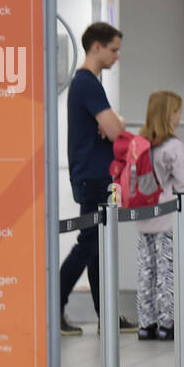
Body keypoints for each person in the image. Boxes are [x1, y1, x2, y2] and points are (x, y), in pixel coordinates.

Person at [58, 22, 138, 336]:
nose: (117, 56)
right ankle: (56, 304)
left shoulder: (88, 83)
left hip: (93, 174)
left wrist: (112, 122)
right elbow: (116, 129)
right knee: (88, 243)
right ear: (97, 47)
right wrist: (115, 121)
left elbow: (111, 126)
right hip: (94, 175)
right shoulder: (87, 83)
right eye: (113, 49)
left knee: (96, 247)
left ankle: (106, 314)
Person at [135, 90, 184, 342]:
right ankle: (166, 324)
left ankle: (145, 324)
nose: (180, 116)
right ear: (170, 114)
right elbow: (183, 184)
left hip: (143, 215)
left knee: (146, 270)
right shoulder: (173, 146)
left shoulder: (140, 144)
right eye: (178, 111)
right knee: (167, 270)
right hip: (167, 217)